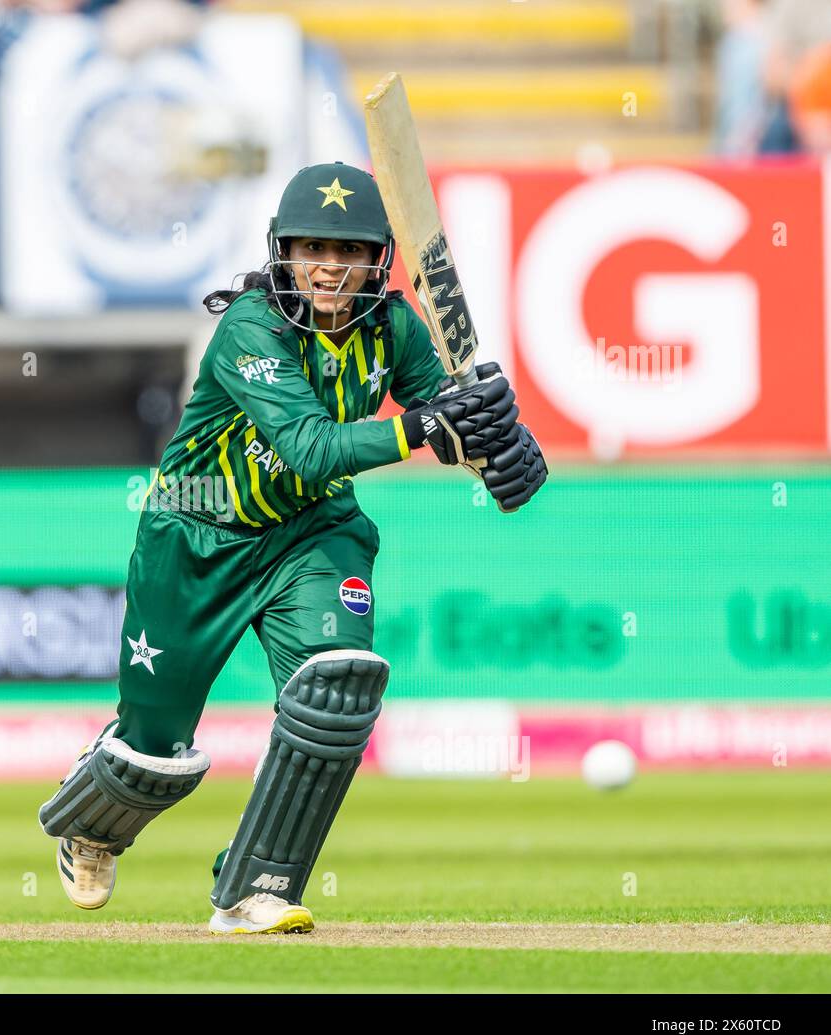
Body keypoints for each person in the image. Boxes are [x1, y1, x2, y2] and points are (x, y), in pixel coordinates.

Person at [38, 161, 547, 934]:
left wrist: (491, 439)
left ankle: (256, 888)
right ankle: (94, 820)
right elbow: (311, 445)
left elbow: (435, 411)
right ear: (283, 250)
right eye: (315, 247)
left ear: (378, 258)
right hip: (194, 535)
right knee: (154, 748)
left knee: (335, 691)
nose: (330, 267)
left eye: (350, 251)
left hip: (312, 533)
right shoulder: (253, 325)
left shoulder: (394, 327)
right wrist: (427, 428)